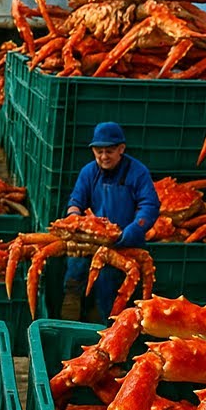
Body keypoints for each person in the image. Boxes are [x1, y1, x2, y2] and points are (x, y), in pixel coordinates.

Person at [60, 122, 160, 321]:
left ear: (121, 149)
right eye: (99, 151)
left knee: (108, 279)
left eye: (109, 151)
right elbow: (76, 201)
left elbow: (150, 205)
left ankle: (111, 323)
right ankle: (70, 318)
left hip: (123, 242)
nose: (104, 156)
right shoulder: (89, 172)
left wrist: (134, 229)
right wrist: (73, 218)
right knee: (74, 269)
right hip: (92, 241)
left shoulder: (137, 172)